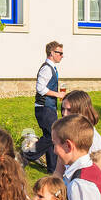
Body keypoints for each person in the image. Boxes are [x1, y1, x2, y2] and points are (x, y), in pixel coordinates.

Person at [26, 40, 67, 171]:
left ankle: (52, 167)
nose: (62, 55)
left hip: (48, 108)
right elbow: (40, 88)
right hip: (44, 108)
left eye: (62, 53)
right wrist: (58, 95)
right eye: (59, 53)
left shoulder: (52, 68)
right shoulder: (46, 68)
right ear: (51, 53)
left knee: (51, 136)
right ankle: (25, 156)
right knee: (51, 137)